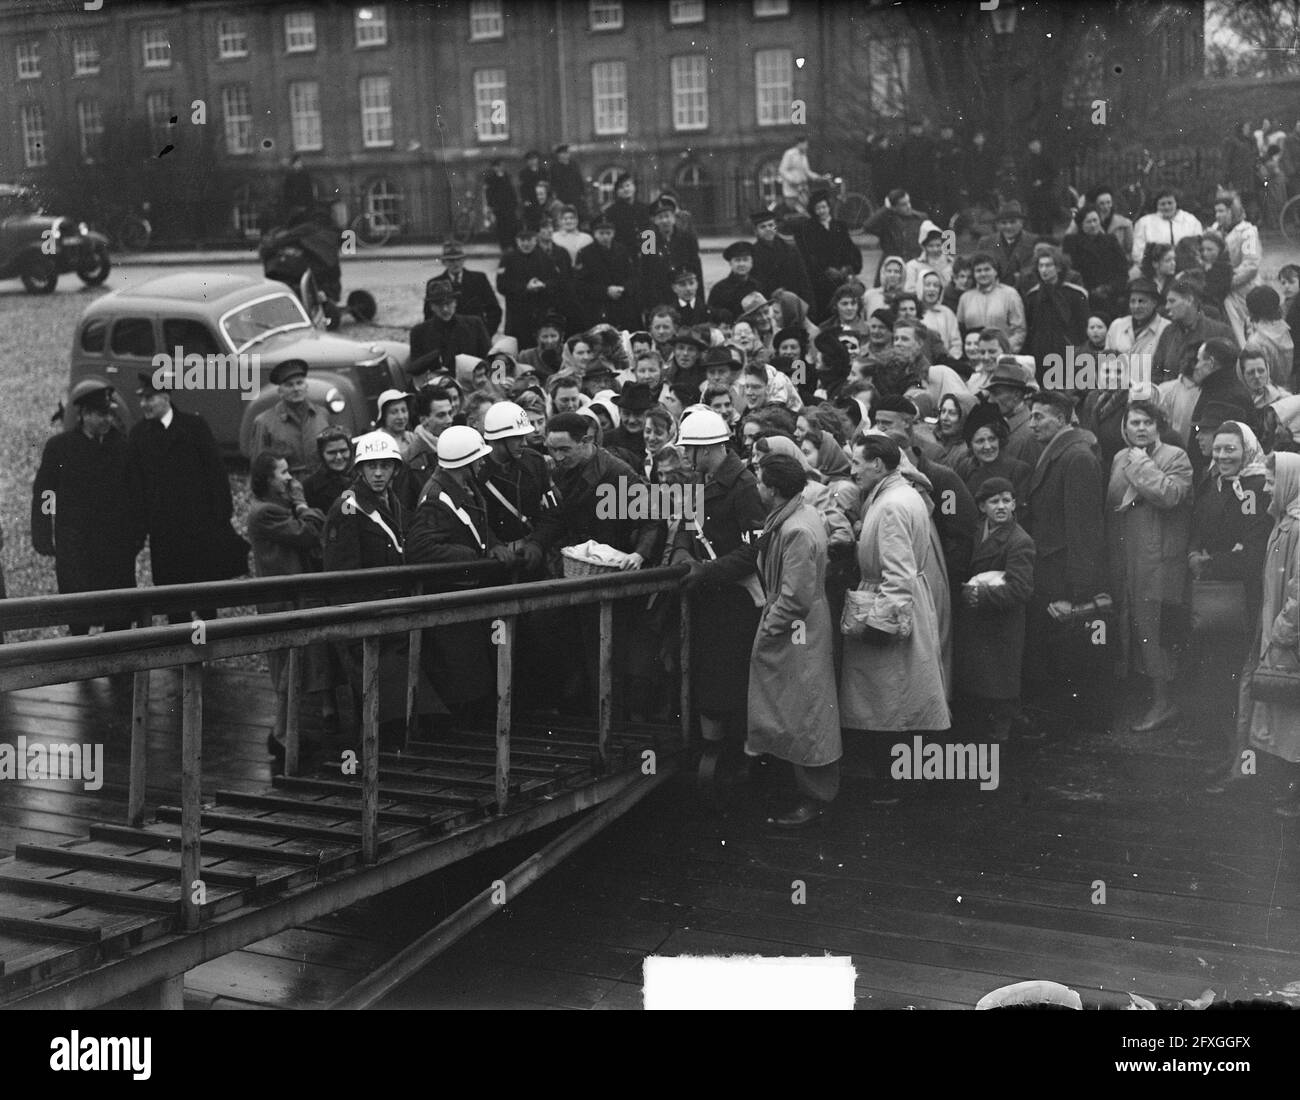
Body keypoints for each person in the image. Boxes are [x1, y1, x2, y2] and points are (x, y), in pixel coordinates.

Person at [666, 409, 767, 777]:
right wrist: (680, 553)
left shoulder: (744, 487)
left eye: (689, 450)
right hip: (708, 598)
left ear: (704, 450)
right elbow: (686, 528)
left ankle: (737, 758)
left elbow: (753, 550)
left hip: (734, 603)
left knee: (730, 681)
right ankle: (713, 750)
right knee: (709, 679)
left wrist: (707, 570)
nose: (686, 458)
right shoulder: (702, 481)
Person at [745, 451, 841, 826]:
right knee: (802, 706)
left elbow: (795, 597)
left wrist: (769, 630)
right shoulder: (802, 515)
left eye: (760, 481)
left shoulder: (796, 529)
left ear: (773, 489)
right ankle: (809, 790)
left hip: (796, 629)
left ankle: (816, 796)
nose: (756, 486)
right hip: (805, 625)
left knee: (807, 710)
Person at [839, 433, 951, 740]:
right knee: (896, 694)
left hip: (889, 604)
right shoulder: (902, 494)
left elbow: (898, 574)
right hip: (904, 600)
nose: (852, 470)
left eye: (856, 462)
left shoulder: (891, 505)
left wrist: (880, 624)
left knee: (891, 698)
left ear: (876, 464)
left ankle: (893, 767)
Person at [405, 425, 515, 731]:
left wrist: (493, 545)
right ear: (464, 462)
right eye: (478, 459)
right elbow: (421, 548)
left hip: (466, 593)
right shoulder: (437, 498)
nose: (482, 463)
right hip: (452, 596)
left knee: (471, 673)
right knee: (461, 676)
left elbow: (477, 525)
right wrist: (475, 556)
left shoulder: (463, 487)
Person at [1188, 419, 1272, 787]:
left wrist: (1211, 560)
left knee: (1236, 676)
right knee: (1216, 674)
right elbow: (1199, 527)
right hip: (1212, 594)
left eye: (1230, 449)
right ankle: (1226, 753)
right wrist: (1195, 551)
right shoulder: (1212, 480)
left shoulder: (1256, 487)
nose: (1222, 456)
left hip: (1241, 599)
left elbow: (1251, 553)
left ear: (1247, 449)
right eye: (1218, 448)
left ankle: (1242, 763)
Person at [1106, 400, 1194, 732]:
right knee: (1132, 626)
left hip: (1158, 560)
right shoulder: (1118, 457)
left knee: (1155, 631)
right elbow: (1111, 506)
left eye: (1147, 423)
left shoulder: (1175, 457)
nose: (1140, 429)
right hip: (1126, 555)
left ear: (1158, 426)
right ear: (1124, 427)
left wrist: (1142, 464)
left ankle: (1163, 702)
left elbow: (1171, 496)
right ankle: (1143, 697)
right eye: (1134, 423)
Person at [1022, 390, 1106, 724]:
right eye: (1031, 416)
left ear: (1062, 418)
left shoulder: (1077, 457)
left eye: (1039, 417)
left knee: (1063, 647)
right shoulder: (1059, 452)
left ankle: (1069, 720)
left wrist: (1080, 589)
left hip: (1062, 572)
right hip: (1050, 566)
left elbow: (1083, 528)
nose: (1032, 424)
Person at [32, 380, 140, 634]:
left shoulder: (122, 447)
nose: (106, 420)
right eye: (100, 414)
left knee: (118, 613)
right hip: (76, 547)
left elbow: (136, 495)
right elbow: (46, 493)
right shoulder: (60, 448)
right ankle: (82, 667)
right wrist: (44, 534)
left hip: (115, 548)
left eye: (109, 414)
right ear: (84, 415)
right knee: (78, 612)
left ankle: (117, 668)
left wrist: (136, 536)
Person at [128, 372, 247, 601]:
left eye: (150, 398)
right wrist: (141, 527)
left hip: (198, 527)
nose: (144, 404)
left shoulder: (194, 427)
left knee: (204, 591)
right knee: (171, 594)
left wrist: (221, 516)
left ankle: (207, 634)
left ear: (166, 397)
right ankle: (179, 635)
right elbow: (137, 487)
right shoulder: (138, 435)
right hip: (163, 531)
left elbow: (216, 473)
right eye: (142, 399)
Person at [247, 451, 334, 757]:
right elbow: (311, 532)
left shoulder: (274, 507)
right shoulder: (266, 512)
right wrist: (302, 503)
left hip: (290, 599)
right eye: (282, 473)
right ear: (267, 480)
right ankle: (281, 734)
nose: (290, 478)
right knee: (288, 670)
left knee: (293, 669)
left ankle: (284, 732)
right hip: (282, 602)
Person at [1241, 451, 1300, 817]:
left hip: (1288, 637)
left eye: (1270, 481)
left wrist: (1282, 631)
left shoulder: (1297, 526)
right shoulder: (1285, 521)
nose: (1264, 488)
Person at [955, 477, 1036, 742]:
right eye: (994, 501)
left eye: (1006, 500)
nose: (1001, 506)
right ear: (982, 507)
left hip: (1002, 624)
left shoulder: (1019, 541)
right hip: (979, 621)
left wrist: (982, 593)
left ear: (1014, 504)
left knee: (1000, 682)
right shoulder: (978, 531)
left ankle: (1003, 740)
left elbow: (1021, 589)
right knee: (982, 681)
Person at [250, 360, 336, 480]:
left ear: (306, 387)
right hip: (288, 486)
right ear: (280, 392)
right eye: (289, 385)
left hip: (321, 483)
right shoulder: (264, 422)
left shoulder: (322, 415)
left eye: (299, 383)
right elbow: (259, 466)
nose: (296, 389)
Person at [1150, 278, 1236, 387]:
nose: (1167, 307)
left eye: (1172, 301)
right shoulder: (1168, 332)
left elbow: (1231, 374)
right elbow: (1156, 372)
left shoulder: (1221, 332)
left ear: (1189, 300)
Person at [1023, 247, 1090, 383]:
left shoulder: (1075, 294)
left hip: (1067, 350)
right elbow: (1030, 328)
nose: (1044, 270)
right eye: (1041, 266)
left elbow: (1083, 325)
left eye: (1048, 265)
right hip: (1041, 352)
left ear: (1058, 268)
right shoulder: (1033, 296)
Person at [797, 189, 863, 322]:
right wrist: (826, 270)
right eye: (818, 208)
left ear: (829, 208)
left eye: (824, 207)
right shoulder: (809, 228)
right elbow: (810, 255)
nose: (822, 211)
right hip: (821, 279)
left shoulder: (839, 225)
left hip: (841, 275)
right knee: (825, 310)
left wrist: (847, 268)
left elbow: (849, 248)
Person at [575, 213, 640, 331]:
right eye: (601, 233)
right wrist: (605, 291)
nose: (605, 237)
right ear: (594, 234)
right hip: (598, 307)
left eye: (608, 233)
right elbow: (581, 285)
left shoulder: (622, 250)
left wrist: (624, 289)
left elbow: (633, 276)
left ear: (613, 233)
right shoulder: (585, 254)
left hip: (622, 305)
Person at [1212, 191, 1262, 346]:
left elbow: (1251, 265)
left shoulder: (1247, 231)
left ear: (1232, 212)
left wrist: (1226, 283)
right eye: (1216, 211)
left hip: (1243, 289)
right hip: (1220, 288)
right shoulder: (1215, 229)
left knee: (1244, 330)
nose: (1218, 215)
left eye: (1221, 211)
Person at [423, 241, 502, 337]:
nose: (455, 263)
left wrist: (485, 334)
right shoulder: (435, 283)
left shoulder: (479, 279)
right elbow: (429, 316)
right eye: (451, 260)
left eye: (458, 259)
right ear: (444, 262)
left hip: (475, 335)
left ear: (464, 260)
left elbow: (494, 310)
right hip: (447, 337)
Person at [640, 197, 703, 314]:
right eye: (660, 217)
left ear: (674, 218)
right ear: (654, 220)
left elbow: (696, 269)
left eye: (667, 216)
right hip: (658, 294)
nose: (664, 220)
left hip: (683, 292)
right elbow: (645, 270)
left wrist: (700, 300)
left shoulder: (687, 237)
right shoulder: (648, 238)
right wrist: (647, 303)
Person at [1063, 204, 1130, 315]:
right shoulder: (1071, 242)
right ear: (1081, 224)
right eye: (1088, 222)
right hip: (1084, 294)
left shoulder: (1111, 240)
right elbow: (1070, 271)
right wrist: (1090, 291)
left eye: (1095, 220)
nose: (1093, 225)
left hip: (1110, 294)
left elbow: (1122, 270)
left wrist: (1109, 288)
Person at [497, 226, 560, 342]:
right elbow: (501, 285)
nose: (526, 244)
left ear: (536, 240)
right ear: (517, 241)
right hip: (517, 313)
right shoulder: (508, 259)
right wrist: (524, 287)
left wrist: (543, 285)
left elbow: (556, 281)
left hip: (541, 312)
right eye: (522, 241)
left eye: (529, 240)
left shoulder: (545, 257)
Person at [956, 254, 1026, 353]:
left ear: (996, 271)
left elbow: (1019, 330)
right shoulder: (965, 298)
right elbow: (960, 330)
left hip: (1002, 355)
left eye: (987, 269)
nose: (983, 274)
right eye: (978, 270)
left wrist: (1004, 350)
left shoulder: (1010, 294)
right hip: (973, 355)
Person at [862, 190, 927, 286]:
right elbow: (867, 226)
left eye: (908, 202)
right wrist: (886, 208)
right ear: (894, 207)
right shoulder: (886, 219)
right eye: (903, 204)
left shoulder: (920, 218)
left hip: (912, 264)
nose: (908, 206)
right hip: (891, 266)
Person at [750, 209, 814, 305]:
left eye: (771, 225)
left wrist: (809, 306)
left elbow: (803, 280)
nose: (768, 229)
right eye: (763, 227)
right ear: (756, 231)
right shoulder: (752, 254)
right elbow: (754, 285)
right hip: (768, 304)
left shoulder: (790, 249)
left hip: (793, 302)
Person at [1131, 189, 1204, 271]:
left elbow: (1199, 246)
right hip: (1155, 270)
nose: (1167, 207)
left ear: (1176, 203)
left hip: (1186, 268)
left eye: (1170, 203)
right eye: (1162, 204)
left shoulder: (1191, 220)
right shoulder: (1145, 223)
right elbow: (1138, 251)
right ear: (1157, 205)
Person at [975, 201, 1040, 288]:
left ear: (1021, 223)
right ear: (997, 225)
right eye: (1004, 223)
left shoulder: (1034, 241)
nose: (1008, 226)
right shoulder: (986, 242)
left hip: (1025, 292)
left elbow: (1035, 268)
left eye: (1013, 222)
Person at [1106, 277, 1170, 363]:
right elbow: (1106, 363)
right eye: (1132, 301)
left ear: (1154, 303)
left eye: (1142, 301)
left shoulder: (1166, 328)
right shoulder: (1117, 325)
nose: (1136, 306)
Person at [1244, 285, 1295, 389]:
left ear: (1251, 311)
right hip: (1290, 390)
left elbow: (1256, 380)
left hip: (1269, 395)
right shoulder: (1287, 330)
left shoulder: (1255, 342)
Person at [303, 427, 353, 514]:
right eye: (332, 452)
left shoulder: (361, 479)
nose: (339, 457)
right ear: (321, 455)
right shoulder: (309, 488)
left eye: (343, 451)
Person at [603, 173, 652, 254]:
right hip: (621, 254)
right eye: (621, 187)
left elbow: (649, 232)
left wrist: (650, 252)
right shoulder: (611, 211)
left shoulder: (644, 208)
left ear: (634, 187)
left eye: (628, 185)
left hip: (644, 253)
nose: (626, 189)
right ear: (617, 192)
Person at [778, 136, 826, 214]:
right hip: (792, 190)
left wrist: (818, 177)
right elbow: (782, 170)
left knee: (808, 208)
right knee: (799, 210)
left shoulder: (803, 156)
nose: (807, 147)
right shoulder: (789, 154)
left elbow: (807, 171)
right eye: (805, 144)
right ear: (799, 144)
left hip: (802, 189)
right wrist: (793, 180)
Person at [1088, 185, 1134, 262]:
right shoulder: (1089, 223)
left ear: (1112, 203)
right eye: (1101, 204)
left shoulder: (1125, 224)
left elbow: (1129, 249)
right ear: (1096, 205)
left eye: (1108, 203)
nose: (1106, 207)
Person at [484, 158, 519, 252]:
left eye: (501, 165)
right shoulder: (490, 179)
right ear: (494, 167)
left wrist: (514, 203)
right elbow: (489, 194)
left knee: (512, 226)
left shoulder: (508, 176)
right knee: (502, 228)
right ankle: (505, 247)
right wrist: (492, 206)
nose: (500, 168)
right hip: (499, 208)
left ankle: (513, 246)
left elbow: (512, 191)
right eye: (498, 166)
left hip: (510, 207)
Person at [549, 144, 586, 212]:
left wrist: (582, 193)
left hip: (575, 196)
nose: (565, 155)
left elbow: (579, 179)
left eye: (566, 153)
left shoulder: (574, 165)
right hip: (562, 197)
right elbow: (552, 183)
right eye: (563, 153)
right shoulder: (554, 167)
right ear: (558, 155)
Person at [282, 155, 316, 223]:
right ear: (293, 164)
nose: (299, 164)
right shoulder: (290, 176)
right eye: (298, 163)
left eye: (300, 162)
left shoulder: (305, 175)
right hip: (294, 204)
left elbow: (309, 190)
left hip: (303, 204)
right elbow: (287, 191)